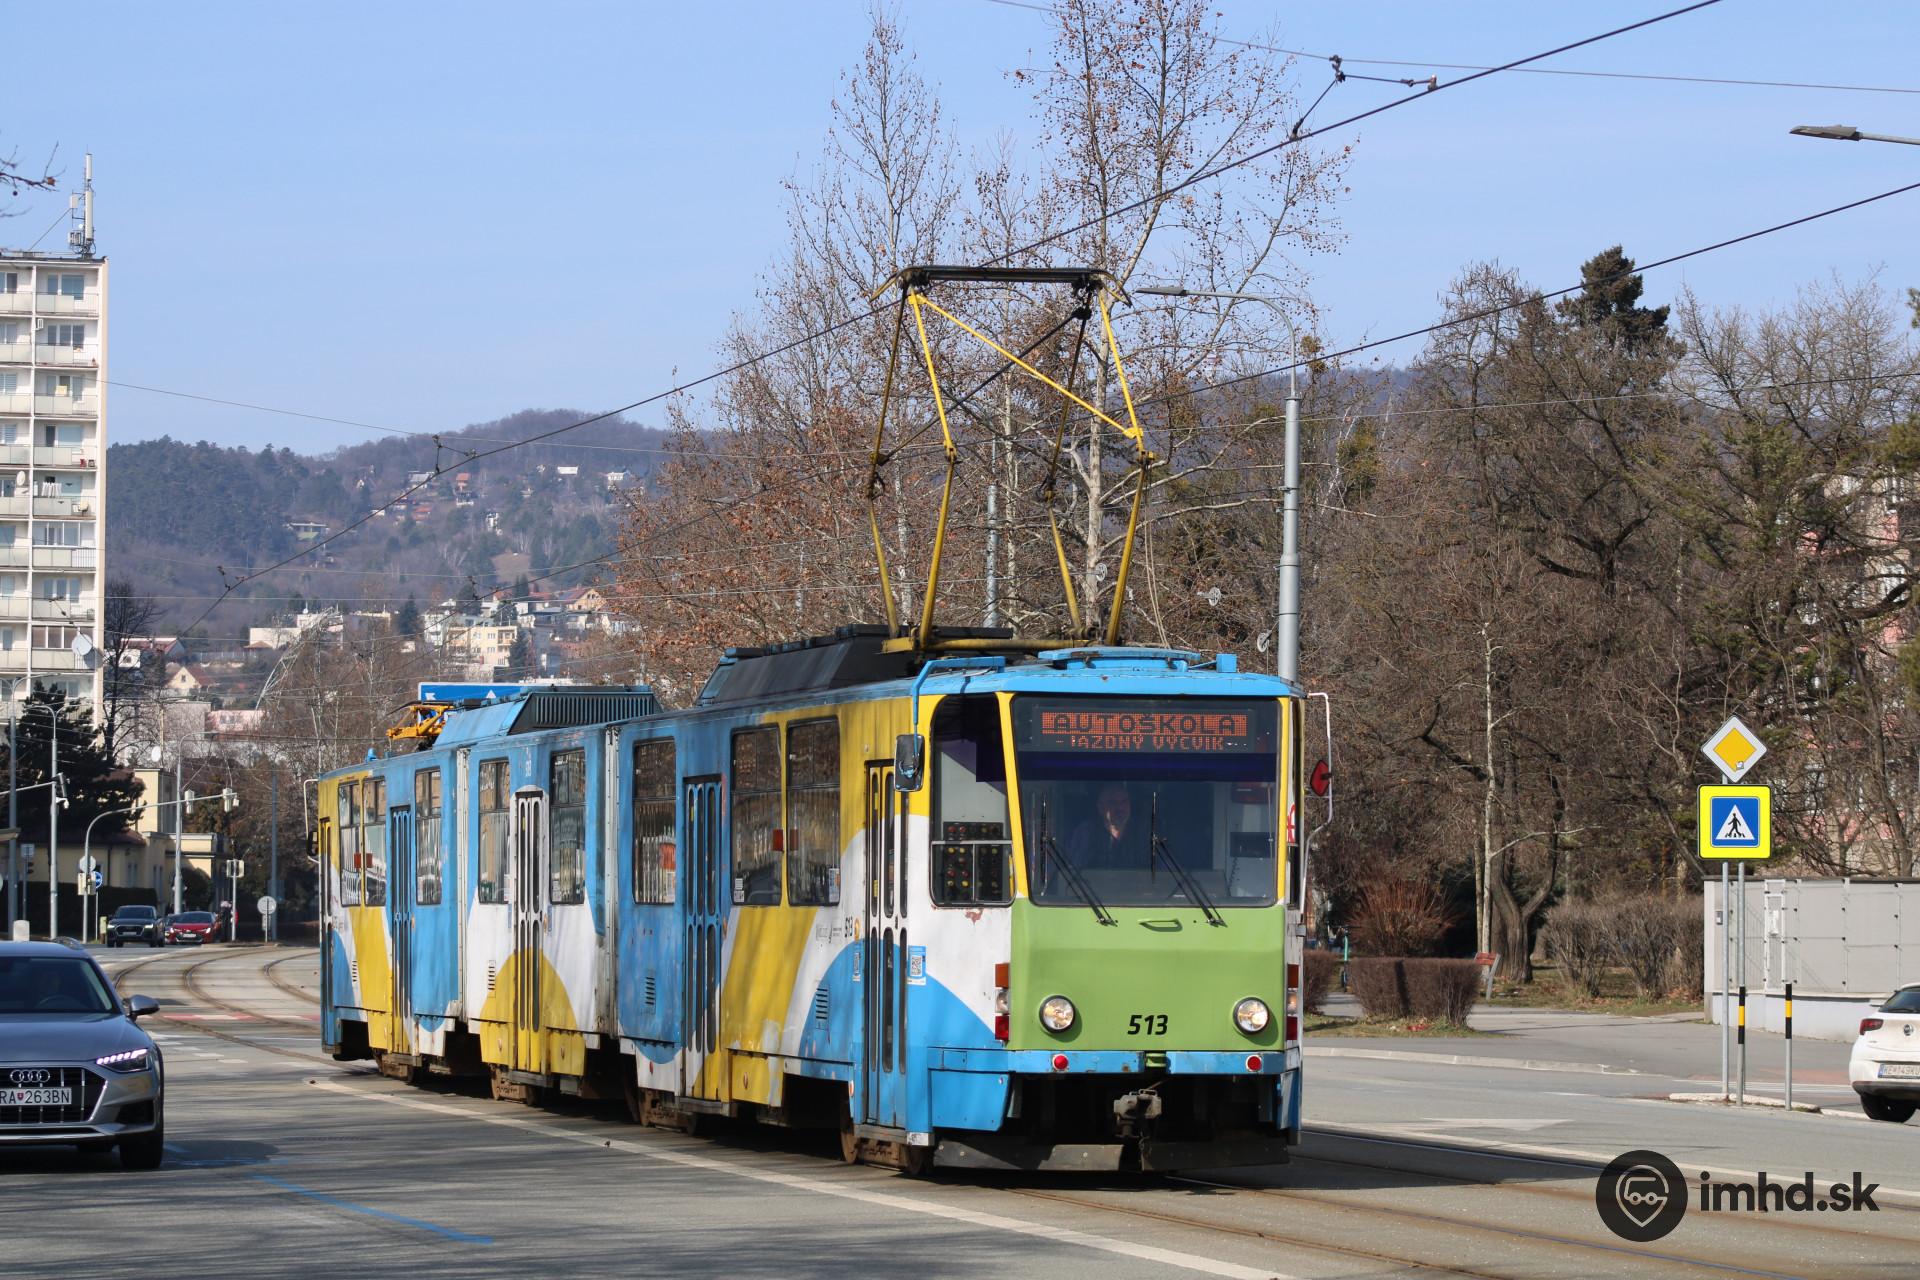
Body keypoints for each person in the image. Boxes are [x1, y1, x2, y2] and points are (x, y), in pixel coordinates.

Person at [1067, 782, 1149, 872]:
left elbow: (1159, 873)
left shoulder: (1143, 833)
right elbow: (1075, 870)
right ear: (1100, 807)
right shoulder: (1086, 832)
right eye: (1113, 802)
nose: (1120, 808)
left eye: (1124, 801)